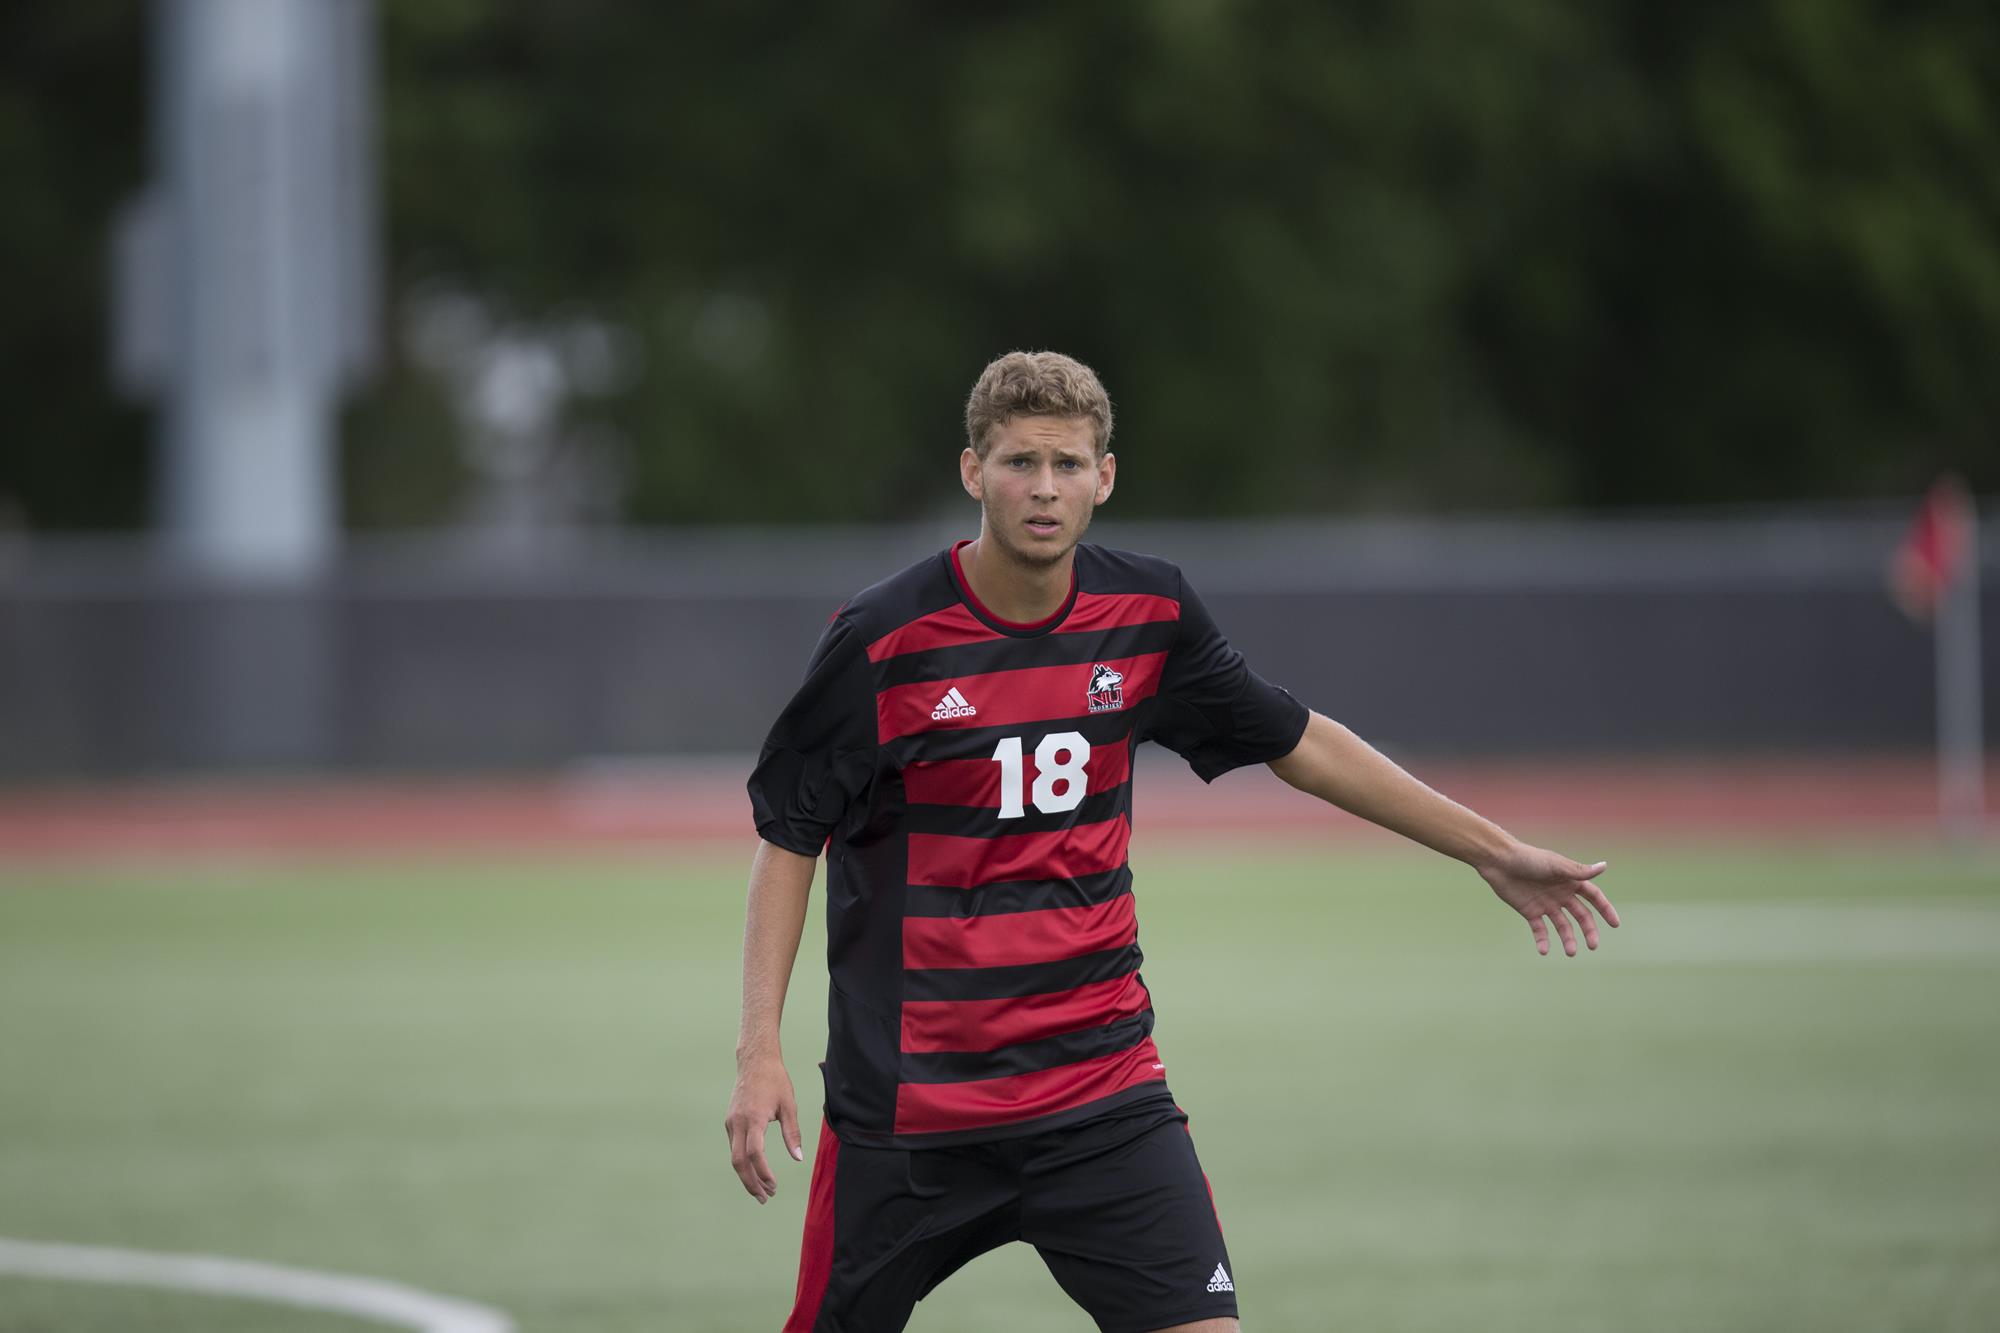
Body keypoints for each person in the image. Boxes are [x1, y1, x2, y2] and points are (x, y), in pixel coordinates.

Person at [728, 350, 1619, 1333]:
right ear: (972, 472)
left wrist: (1488, 849)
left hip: (1101, 1101)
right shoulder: (881, 638)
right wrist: (757, 1049)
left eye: (1068, 464)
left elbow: (1299, 741)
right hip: (912, 1114)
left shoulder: (1148, 614)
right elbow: (789, 834)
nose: (1043, 488)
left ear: (1104, 477)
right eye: (1019, 462)